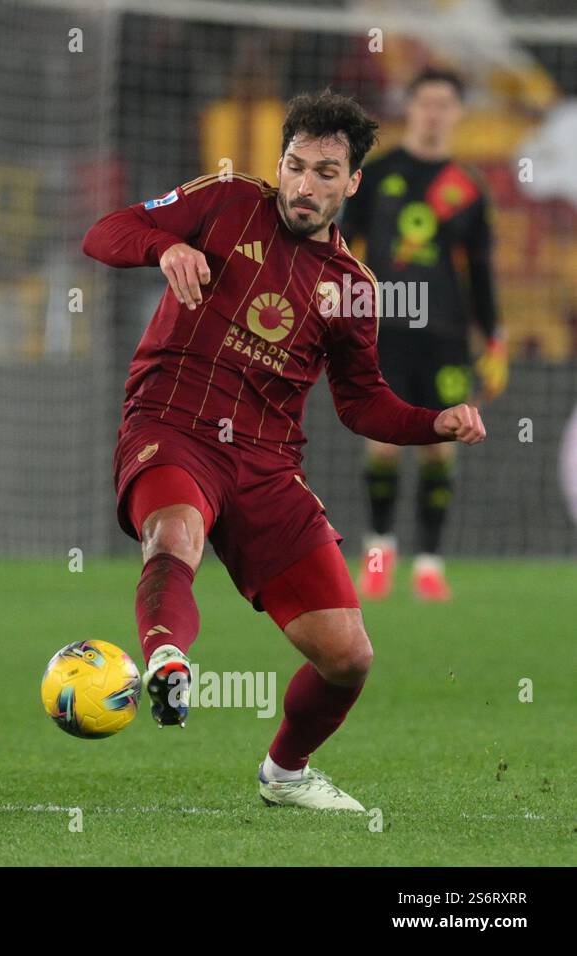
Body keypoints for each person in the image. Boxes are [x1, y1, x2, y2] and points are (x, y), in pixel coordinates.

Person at [82, 90, 486, 812]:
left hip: (267, 465)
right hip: (172, 424)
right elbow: (107, 232)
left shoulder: (352, 289)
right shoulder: (226, 199)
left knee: (348, 657)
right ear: (279, 163)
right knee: (173, 534)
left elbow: (363, 404)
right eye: (296, 166)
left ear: (353, 182)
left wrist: (435, 424)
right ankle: (168, 659)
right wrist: (165, 245)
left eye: (326, 172)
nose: (305, 185)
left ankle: (286, 773)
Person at [339, 68, 504, 601]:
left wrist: (494, 338)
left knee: (441, 446)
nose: (434, 112)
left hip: (447, 335)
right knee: (383, 443)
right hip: (385, 330)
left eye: (445, 104)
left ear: (458, 113)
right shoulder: (375, 173)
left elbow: (479, 271)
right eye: (426, 102)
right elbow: (339, 249)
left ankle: (429, 564)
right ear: (409, 108)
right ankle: (379, 554)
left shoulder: (469, 187)